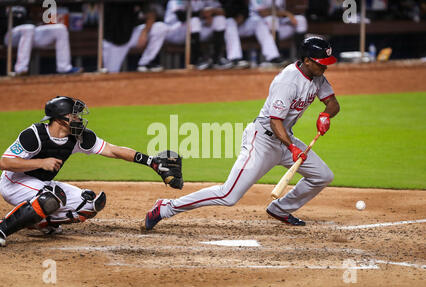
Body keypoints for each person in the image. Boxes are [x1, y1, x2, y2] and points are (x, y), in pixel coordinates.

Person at [143, 36, 340, 231]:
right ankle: (166, 207)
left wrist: (325, 115)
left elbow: (333, 103)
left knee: (322, 176)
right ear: (307, 60)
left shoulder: (317, 77)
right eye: (321, 64)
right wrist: (292, 147)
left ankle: (280, 208)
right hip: (263, 140)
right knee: (228, 195)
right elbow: (275, 121)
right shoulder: (288, 81)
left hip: (285, 139)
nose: (325, 68)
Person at [0, 96, 183, 247]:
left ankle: (40, 222)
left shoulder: (78, 137)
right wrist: (41, 162)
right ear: (60, 119)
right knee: (50, 199)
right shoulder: (33, 136)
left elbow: (113, 150)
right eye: (74, 115)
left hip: (39, 185)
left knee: (90, 203)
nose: (78, 119)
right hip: (14, 183)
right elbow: (4, 163)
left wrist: (151, 162)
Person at [0, 6, 82, 76]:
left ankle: (64, 67)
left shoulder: (22, 2)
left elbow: (29, 17)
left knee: (60, 29)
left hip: (30, 32)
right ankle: (20, 69)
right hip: (10, 36)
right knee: (27, 28)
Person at [164, 0, 245, 70]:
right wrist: (202, 14)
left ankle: (217, 59)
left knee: (220, 20)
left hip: (194, 31)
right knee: (194, 21)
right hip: (175, 31)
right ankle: (196, 60)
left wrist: (212, 13)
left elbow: (220, 10)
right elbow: (181, 16)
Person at [103, 1, 169, 73]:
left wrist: (145, 32)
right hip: (113, 41)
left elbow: (151, 14)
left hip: (131, 34)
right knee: (111, 72)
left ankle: (144, 63)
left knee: (160, 28)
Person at [220, 0, 286, 68]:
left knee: (259, 22)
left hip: (243, 24)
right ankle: (234, 59)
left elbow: (245, 8)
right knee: (230, 22)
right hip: (224, 25)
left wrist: (242, 16)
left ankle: (273, 56)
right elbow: (224, 8)